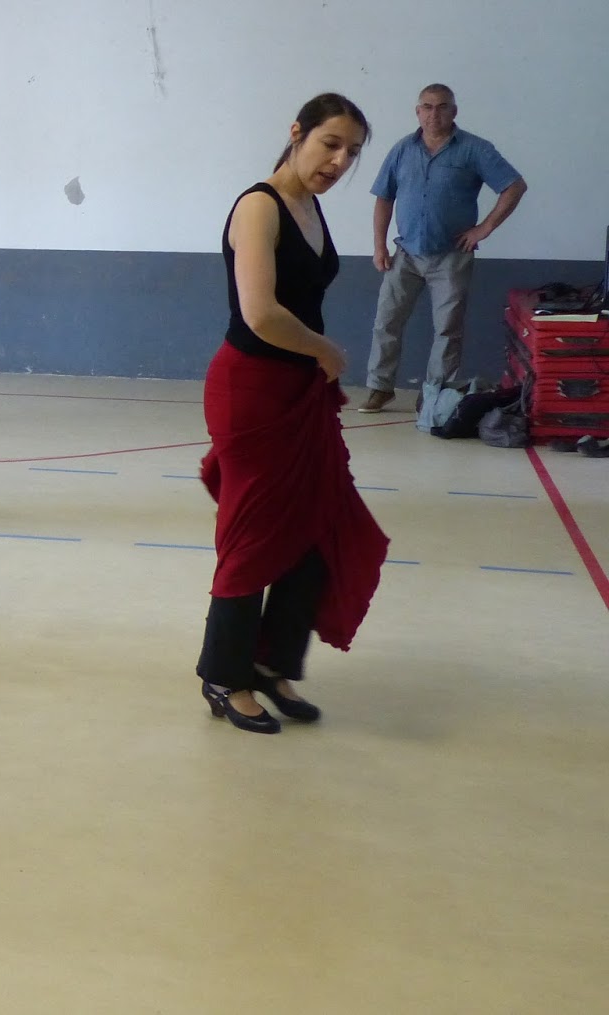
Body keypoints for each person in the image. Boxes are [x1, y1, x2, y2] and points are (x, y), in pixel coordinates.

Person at [197, 93, 391, 734]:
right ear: (297, 133)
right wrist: (326, 350)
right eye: (330, 143)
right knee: (253, 534)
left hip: (299, 390)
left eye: (352, 153)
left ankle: (272, 663)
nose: (339, 161)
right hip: (252, 390)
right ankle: (224, 677)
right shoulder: (259, 206)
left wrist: (314, 362)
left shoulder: (310, 207)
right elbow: (260, 313)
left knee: (315, 528)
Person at [359, 84, 527, 412]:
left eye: (442, 106)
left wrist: (485, 228)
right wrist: (379, 246)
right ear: (417, 111)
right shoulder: (401, 150)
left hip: (451, 256)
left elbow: (514, 186)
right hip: (405, 254)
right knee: (386, 322)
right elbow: (384, 198)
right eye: (427, 106)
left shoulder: (475, 149)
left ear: (454, 111)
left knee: (448, 330)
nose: (434, 113)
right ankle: (380, 387)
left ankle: (435, 393)